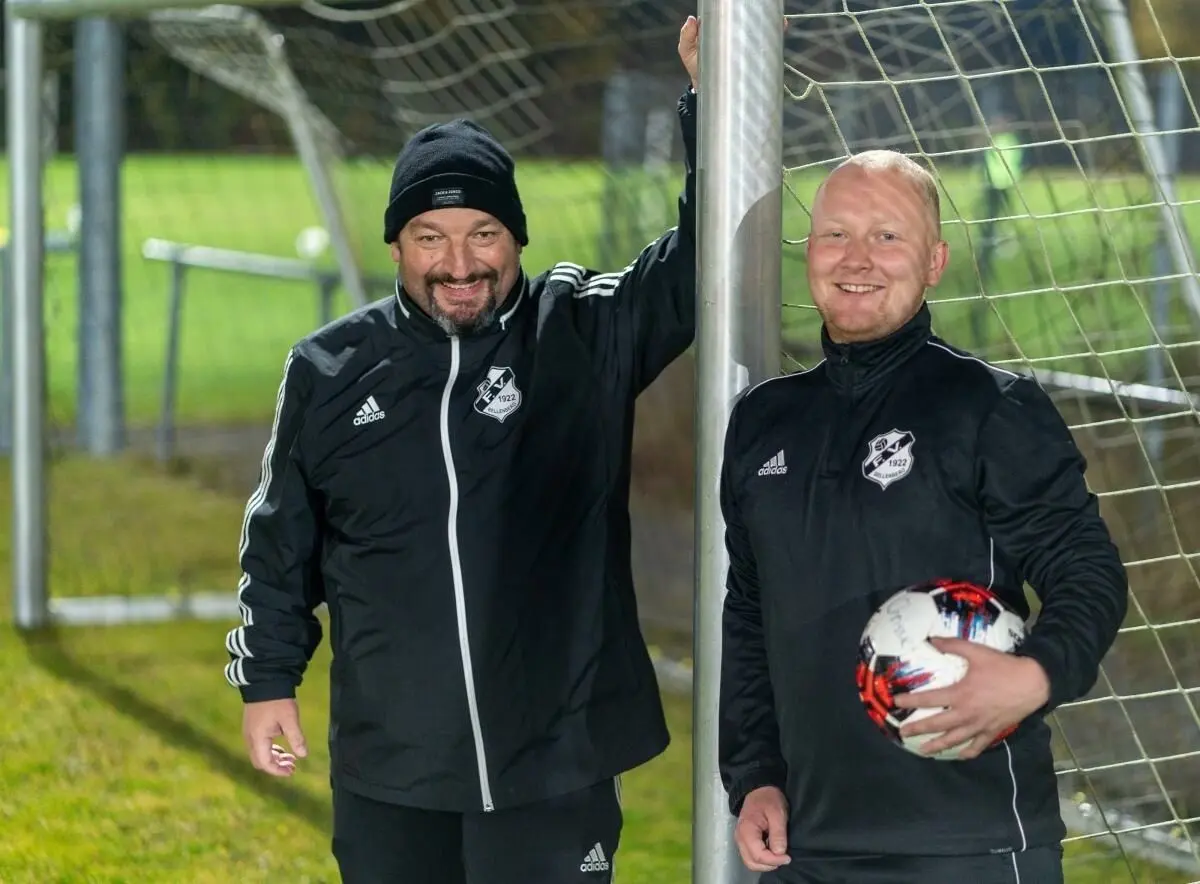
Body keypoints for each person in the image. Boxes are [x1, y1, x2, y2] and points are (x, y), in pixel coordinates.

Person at [222, 17, 702, 883]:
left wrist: (711, 101)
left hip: (556, 765)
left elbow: (698, 266)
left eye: (483, 232)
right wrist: (267, 682)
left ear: (516, 236)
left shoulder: (583, 332)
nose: (459, 262)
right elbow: (283, 544)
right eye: (430, 237)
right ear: (397, 245)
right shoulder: (330, 370)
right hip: (393, 770)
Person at [717, 149, 1129, 884]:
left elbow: (1087, 570)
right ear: (809, 252)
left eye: (888, 236)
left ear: (934, 261)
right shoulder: (762, 423)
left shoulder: (989, 409)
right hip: (807, 846)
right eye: (835, 234)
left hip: (966, 847)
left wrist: (1036, 674)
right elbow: (751, 613)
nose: (857, 259)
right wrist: (754, 774)